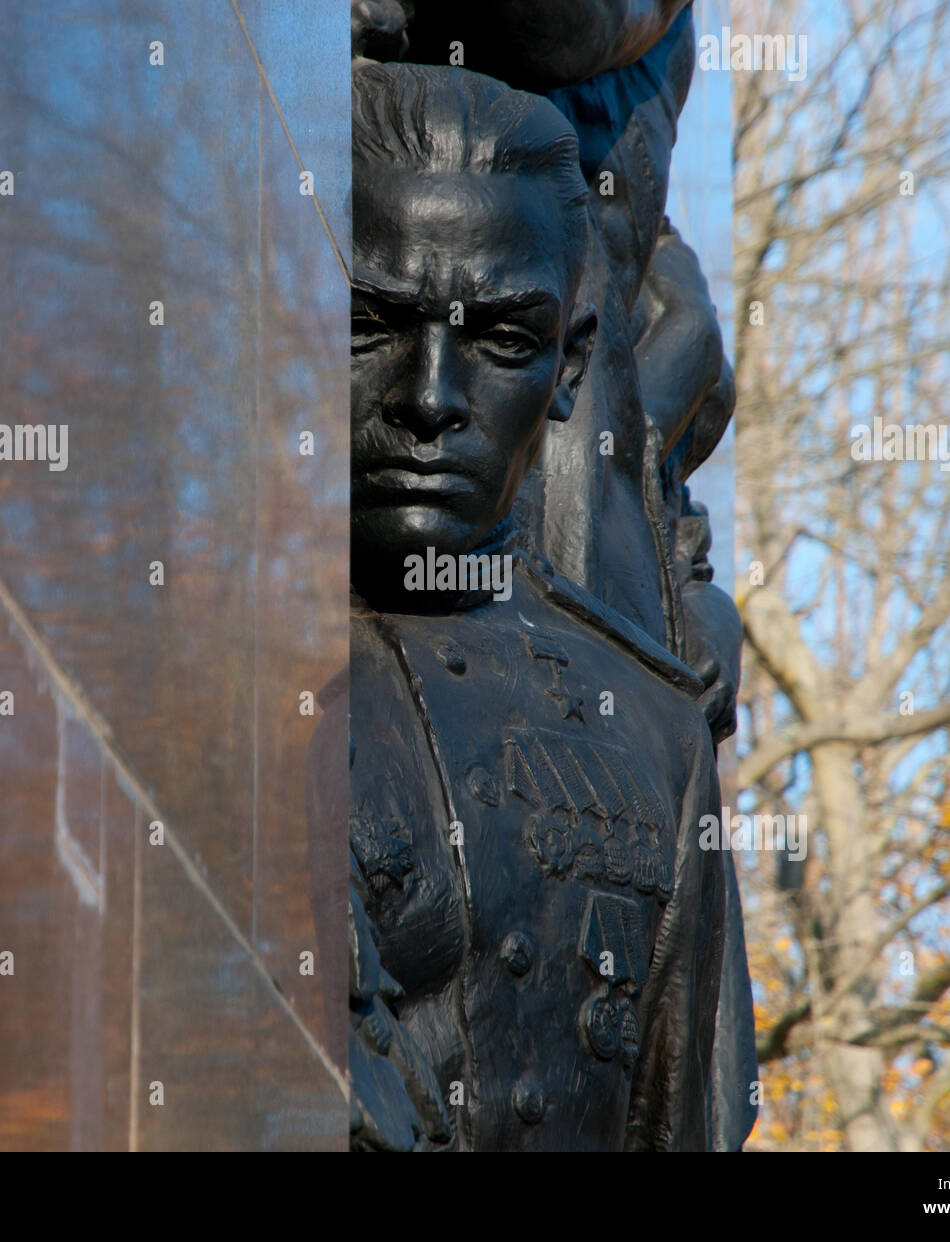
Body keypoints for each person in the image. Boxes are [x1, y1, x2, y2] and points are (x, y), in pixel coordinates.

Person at [342, 59, 734, 1151]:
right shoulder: (211, 665)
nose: (428, 398)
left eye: (498, 340)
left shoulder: (657, 735)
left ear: (566, 366)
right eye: (374, 322)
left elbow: (687, 1120)